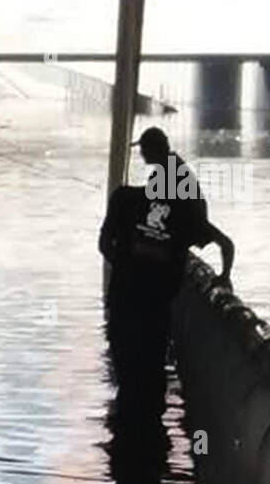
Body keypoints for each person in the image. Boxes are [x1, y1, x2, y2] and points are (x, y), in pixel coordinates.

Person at [98, 127, 236, 418]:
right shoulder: (171, 181)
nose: (141, 154)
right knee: (149, 367)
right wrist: (223, 277)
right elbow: (224, 242)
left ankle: (128, 424)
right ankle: (147, 424)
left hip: (131, 299)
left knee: (128, 368)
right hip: (157, 300)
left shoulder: (143, 193)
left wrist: (125, 265)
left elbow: (106, 244)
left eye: (143, 149)